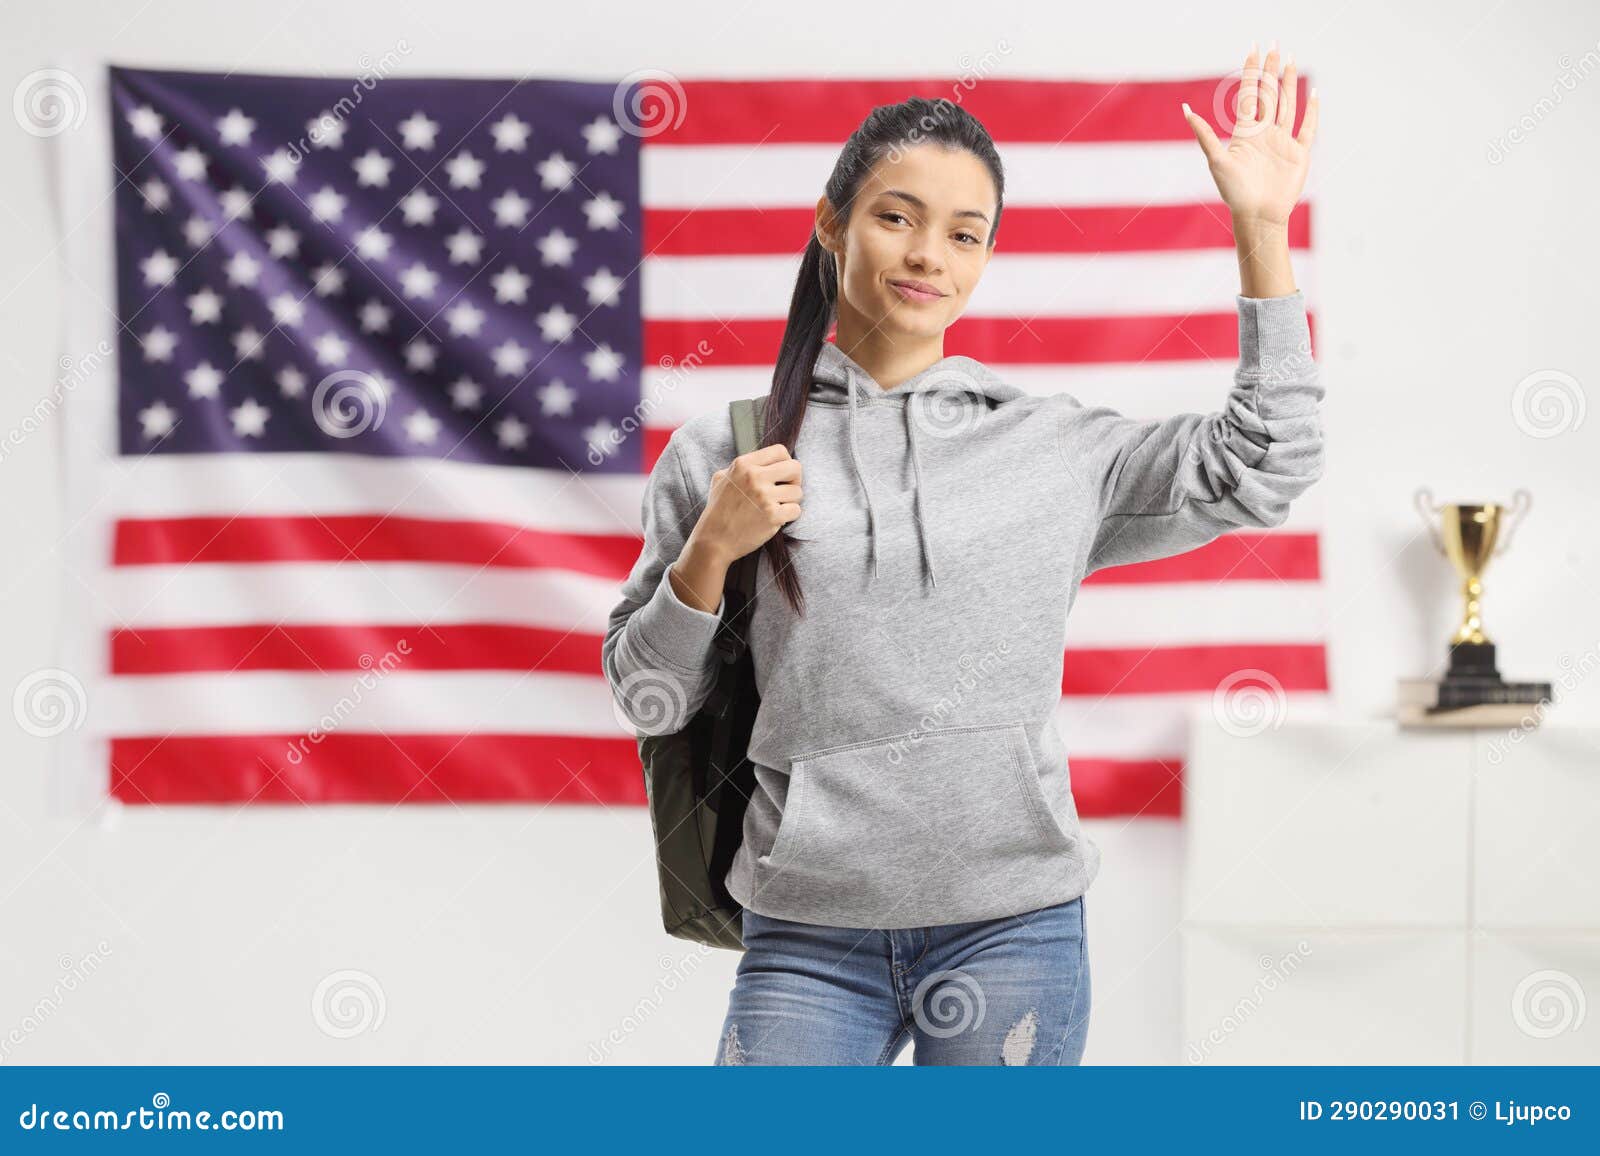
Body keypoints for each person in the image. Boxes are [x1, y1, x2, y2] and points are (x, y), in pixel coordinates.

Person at [602, 41, 1323, 1065]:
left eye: (963, 233)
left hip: (1013, 929)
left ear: (984, 258)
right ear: (830, 222)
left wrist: (1259, 230)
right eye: (896, 216)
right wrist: (708, 552)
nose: (926, 253)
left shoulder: (1051, 447)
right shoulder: (724, 455)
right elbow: (646, 699)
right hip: (807, 936)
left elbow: (1265, 460)